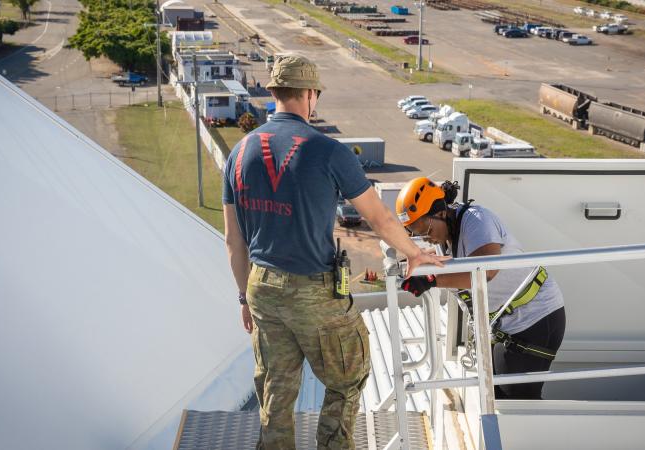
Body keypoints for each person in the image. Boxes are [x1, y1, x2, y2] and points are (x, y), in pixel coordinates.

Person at [222, 55, 447, 449]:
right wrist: (414, 253)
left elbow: (232, 240)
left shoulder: (238, 154)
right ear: (310, 95)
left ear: (274, 94)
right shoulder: (329, 151)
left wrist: (244, 297)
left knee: (276, 389)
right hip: (312, 291)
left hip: (261, 288)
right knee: (350, 374)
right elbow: (379, 219)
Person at [396, 177, 566, 400]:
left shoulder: (476, 220)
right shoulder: (444, 237)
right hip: (508, 322)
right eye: (414, 232)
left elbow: (486, 271)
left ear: (441, 212)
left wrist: (432, 279)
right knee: (496, 395)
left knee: (517, 400)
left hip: (536, 318)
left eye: (424, 228)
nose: (424, 237)